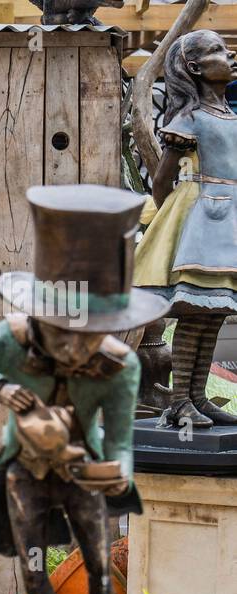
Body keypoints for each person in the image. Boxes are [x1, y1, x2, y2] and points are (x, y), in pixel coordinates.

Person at [0, 185, 164, 594]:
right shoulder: (16, 338)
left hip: (79, 470)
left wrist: (116, 473)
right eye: (64, 330)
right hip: (25, 469)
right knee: (33, 559)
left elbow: (121, 440)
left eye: (90, 333)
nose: (75, 345)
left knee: (96, 557)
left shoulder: (119, 366)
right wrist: (1, 387)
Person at [135, 30, 237, 427]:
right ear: (194, 68)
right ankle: (179, 402)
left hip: (227, 223)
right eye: (216, 51)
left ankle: (197, 395)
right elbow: (162, 179)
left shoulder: (229, 115)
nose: (228, 56)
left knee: (215, 313)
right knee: (195, 311)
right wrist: (174, 225)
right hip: (203, 221)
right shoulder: (189, 119)